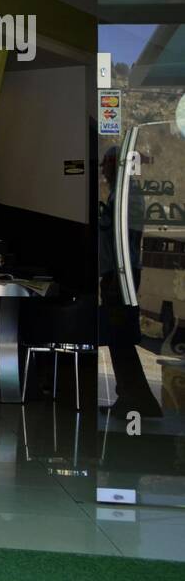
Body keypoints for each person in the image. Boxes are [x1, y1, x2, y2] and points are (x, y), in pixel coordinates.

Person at [98, 146, 164, 418]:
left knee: (120, 337)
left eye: (106, 165)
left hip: (120, 274)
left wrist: (117, 278)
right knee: (119, 339)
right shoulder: (122, 194)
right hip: (118, 273)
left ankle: (136, 399)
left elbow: (127, 236)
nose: (103, 170)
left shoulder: (128, 196)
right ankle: (133, 397)